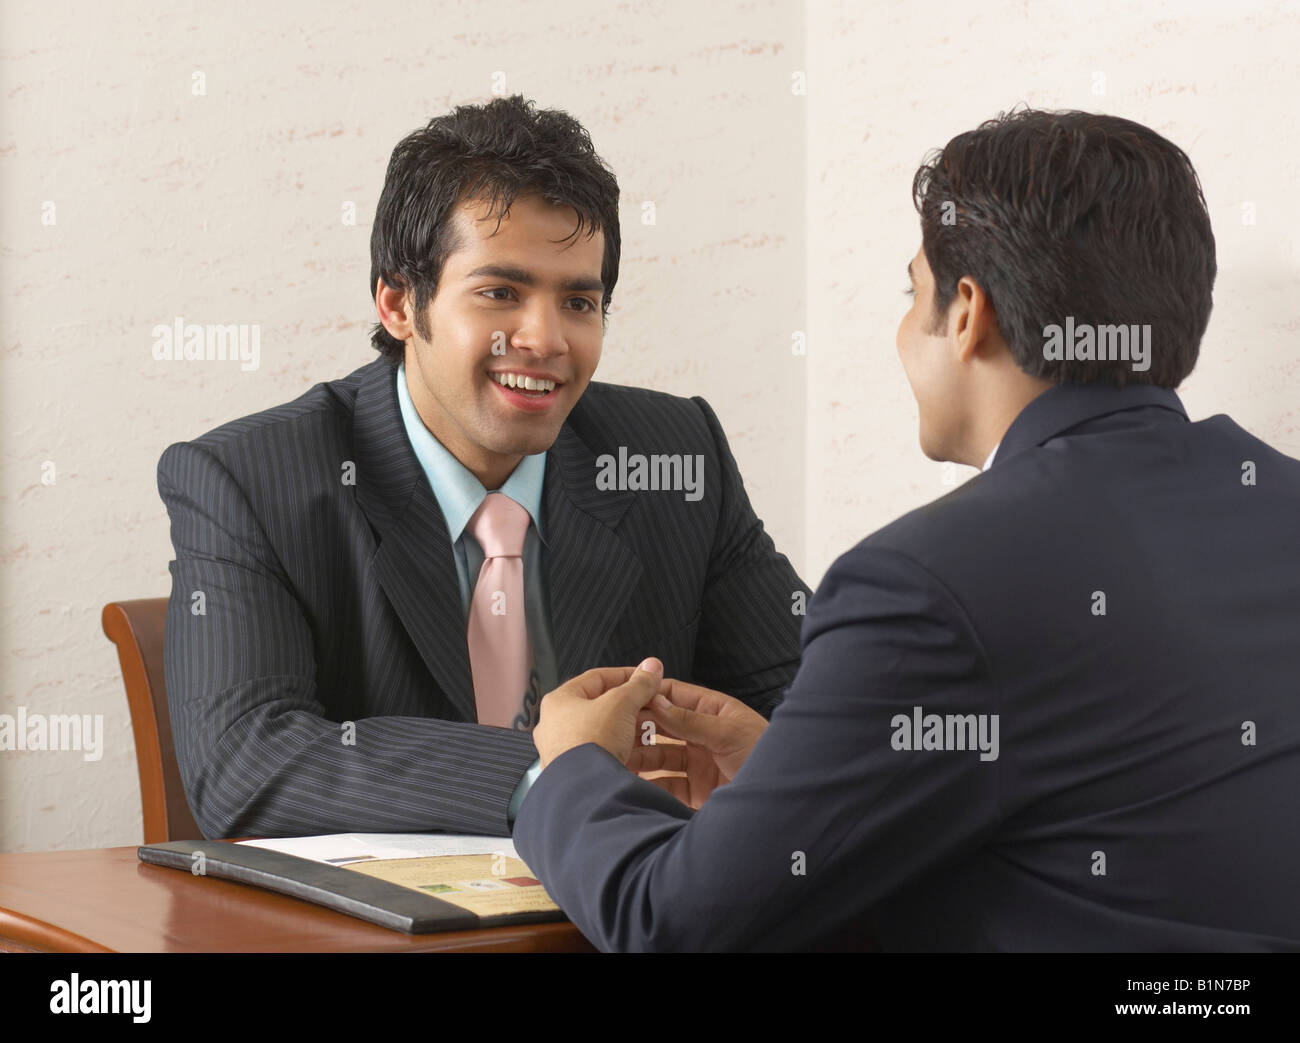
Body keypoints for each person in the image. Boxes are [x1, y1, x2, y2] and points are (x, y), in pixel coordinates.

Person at [512, 108, 1300, 952]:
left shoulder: (925, 580)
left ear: (968, 314)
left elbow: (670, 924)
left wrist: (571, 768)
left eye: (911, 291)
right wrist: (803, 773)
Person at [157, 95, 808, 839]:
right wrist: (549, 769)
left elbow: (824, 701)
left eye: (579, 302)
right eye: (500, 292)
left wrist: (770, 760)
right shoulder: (247, 480)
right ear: (400, 303)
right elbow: (247, 764)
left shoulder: (674, 457)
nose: (545, 338)